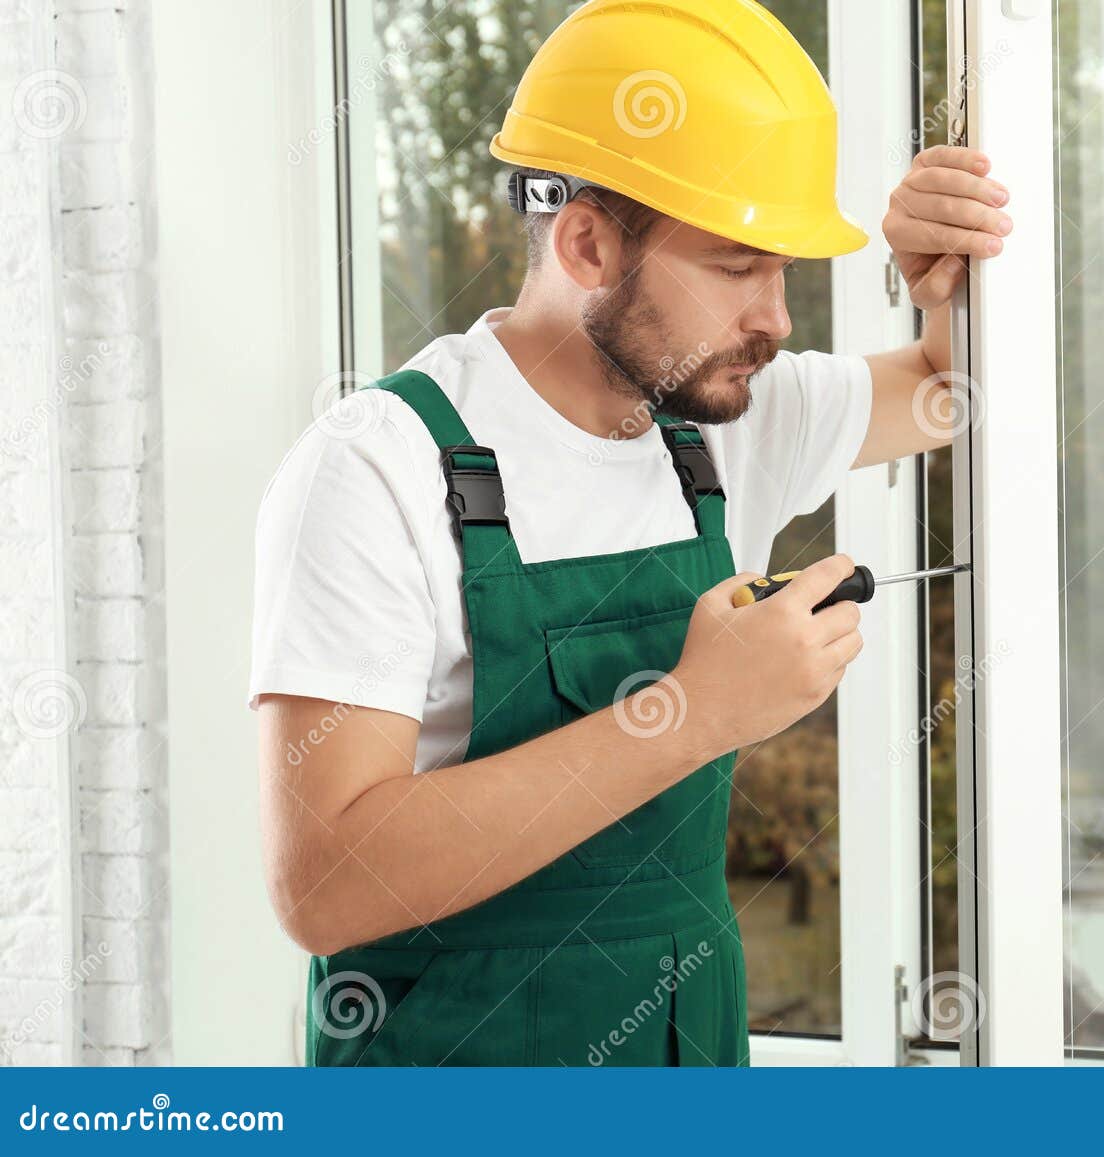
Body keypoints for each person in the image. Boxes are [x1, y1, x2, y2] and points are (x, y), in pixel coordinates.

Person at [249, 0, 1011, 1066]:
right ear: (588, 241)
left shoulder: (713, 424)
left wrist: (941, 273)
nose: (778, 319)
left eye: (782, 268)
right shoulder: (379, 464)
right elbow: (323, 883)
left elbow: (949, 388)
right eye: (737, 267)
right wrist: (690, 712)